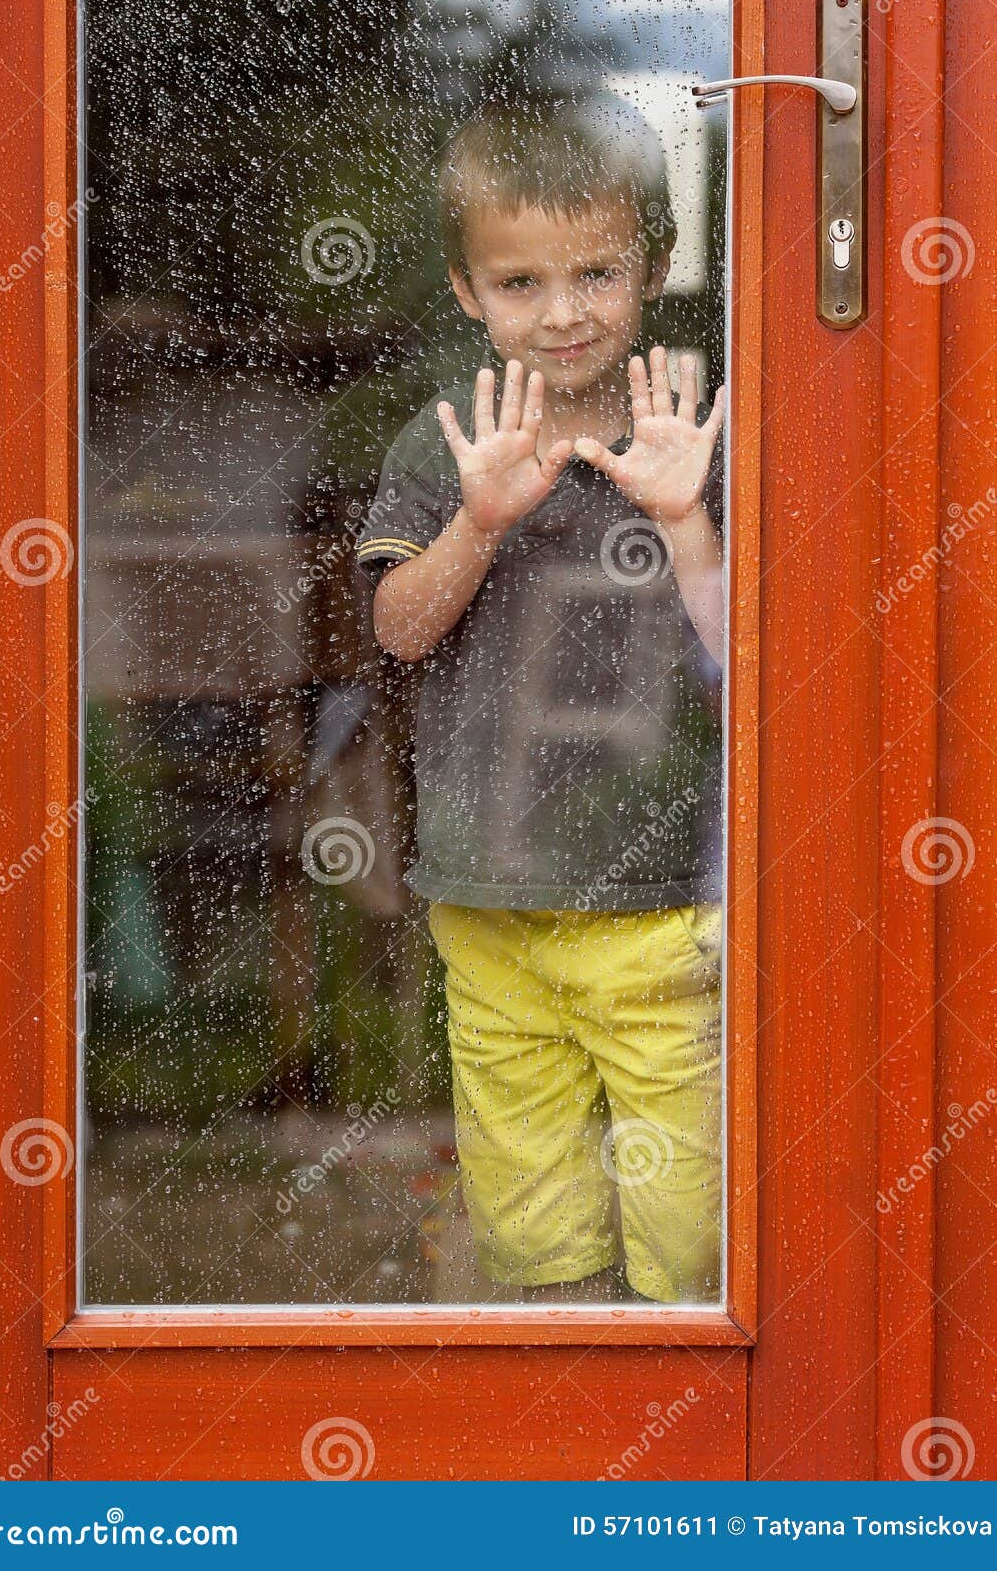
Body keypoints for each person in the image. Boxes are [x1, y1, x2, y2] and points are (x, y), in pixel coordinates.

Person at [354, 93, 727, 1304]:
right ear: (466, 292)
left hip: (666, 906)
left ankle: (679, 1403)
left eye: (595, 273)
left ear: (654, 268)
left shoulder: (700, 435)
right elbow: (397, 630)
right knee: (534, 1236)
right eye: (519, 282)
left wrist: (685, 520)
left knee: (695, 1235)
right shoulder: (446, 442)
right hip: (491, 901)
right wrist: (477, 521)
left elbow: (752, 657)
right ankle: (570, 1393)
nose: (561, 313)